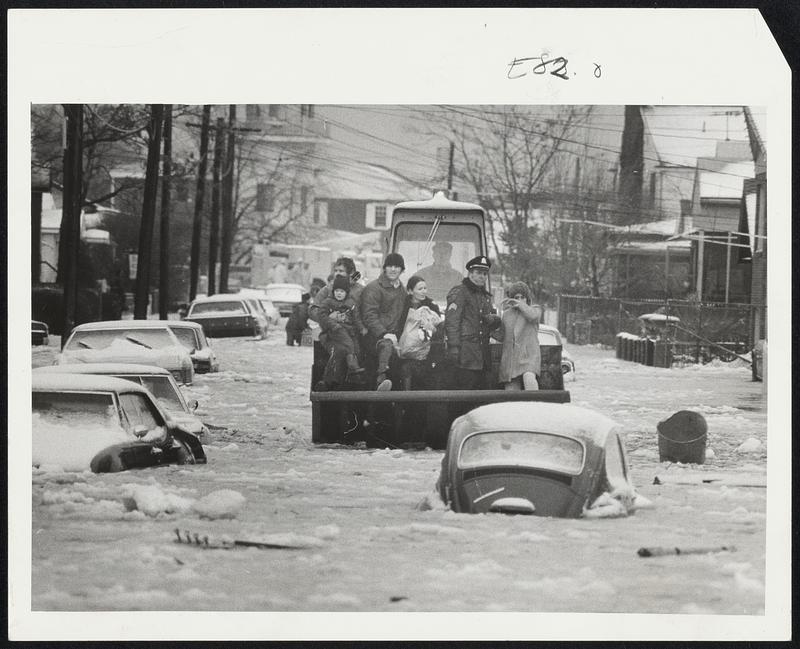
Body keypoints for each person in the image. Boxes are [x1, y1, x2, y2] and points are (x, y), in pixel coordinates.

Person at [444, 255, 501, 390]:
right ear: (470, 273)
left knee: (480, 395)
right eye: (478, 273)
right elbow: (452, 321)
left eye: (485, 274)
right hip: (465, 354)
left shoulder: (485, 297)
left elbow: (491, 319)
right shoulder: (460, 292)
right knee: (464, 392)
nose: (482, 277)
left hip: (482, 355)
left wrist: (494, 320)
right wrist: (454, 347)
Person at [309, 257, 365, 389]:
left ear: (351, 273)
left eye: (341, 271)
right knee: (339, 350)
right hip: (332, 332)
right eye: (336, 270)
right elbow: (313, 310)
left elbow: (365, 311)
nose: (337, 273)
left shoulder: (360, 291)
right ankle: (328, 384)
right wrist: (329, 317)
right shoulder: (328, 289)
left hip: (353, 332)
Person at [360, 252, 407, 391]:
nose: (393, 269)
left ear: (402, 270)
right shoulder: (373, 288)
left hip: (394, 337)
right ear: (384, 268)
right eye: (390, 266)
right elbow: (369, 315)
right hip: (375, 337)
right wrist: (384, 333)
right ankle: (381, 379)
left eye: (397, 267)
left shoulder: (402, 290)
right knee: (386, 347)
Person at [493, 281, 542, 390]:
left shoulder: (535, 309)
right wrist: (490, 328)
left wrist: (520, 304)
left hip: (528, 357)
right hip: (511, 361)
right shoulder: (506, 314)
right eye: (516, 297)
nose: (519, 299)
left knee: (529, 379)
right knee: (511, 393)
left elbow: (533, 316)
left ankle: (535, 405)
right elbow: (502, 336)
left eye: (522, 297)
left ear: (527, 298)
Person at [396, 275, 443, 390]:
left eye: (425, 288)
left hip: (425, 354)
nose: (423, 292)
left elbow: (440, 330)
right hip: (404, 353)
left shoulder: (431, 307)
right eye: (420, 289)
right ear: (410, 291)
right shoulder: (402, 306)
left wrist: (432, 329)